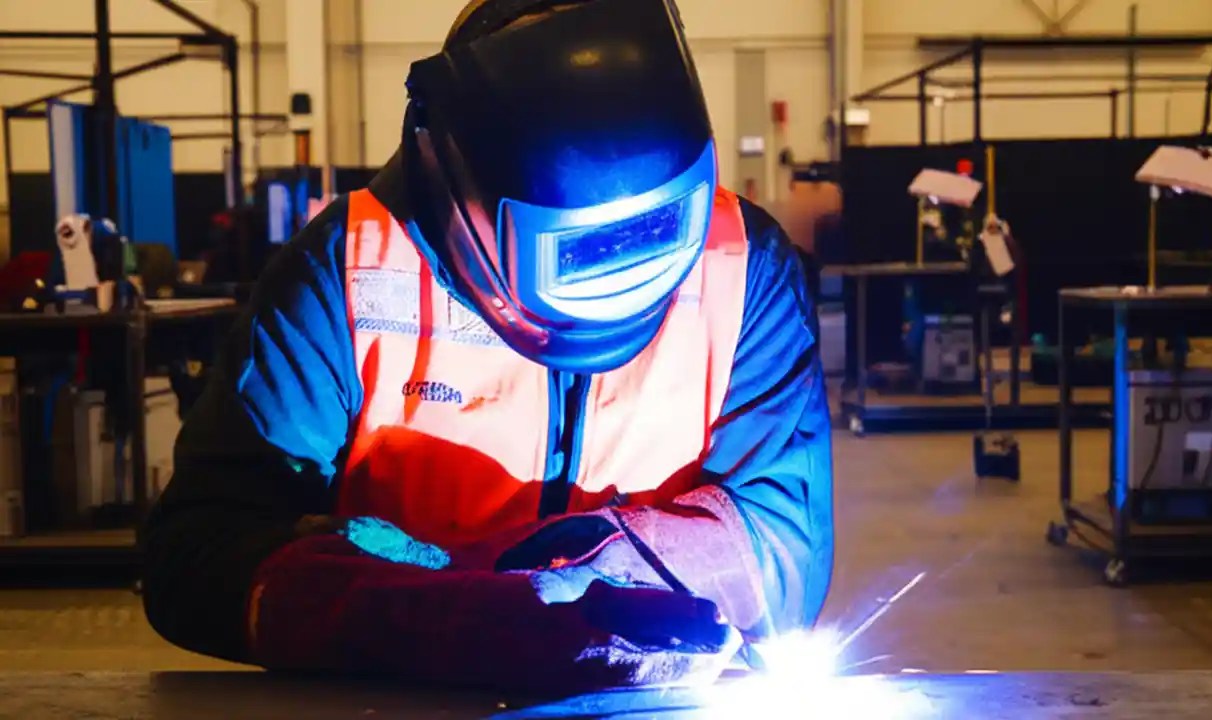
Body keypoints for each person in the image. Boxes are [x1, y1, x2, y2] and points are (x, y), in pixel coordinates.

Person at [142, 0, 832, 694]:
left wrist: (588, 573)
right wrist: (455, 618)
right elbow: (197, 557)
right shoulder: (344, 269)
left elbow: (782, 548)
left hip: (660, 695)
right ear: (454, 176)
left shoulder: (745, 263)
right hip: (405, 703)